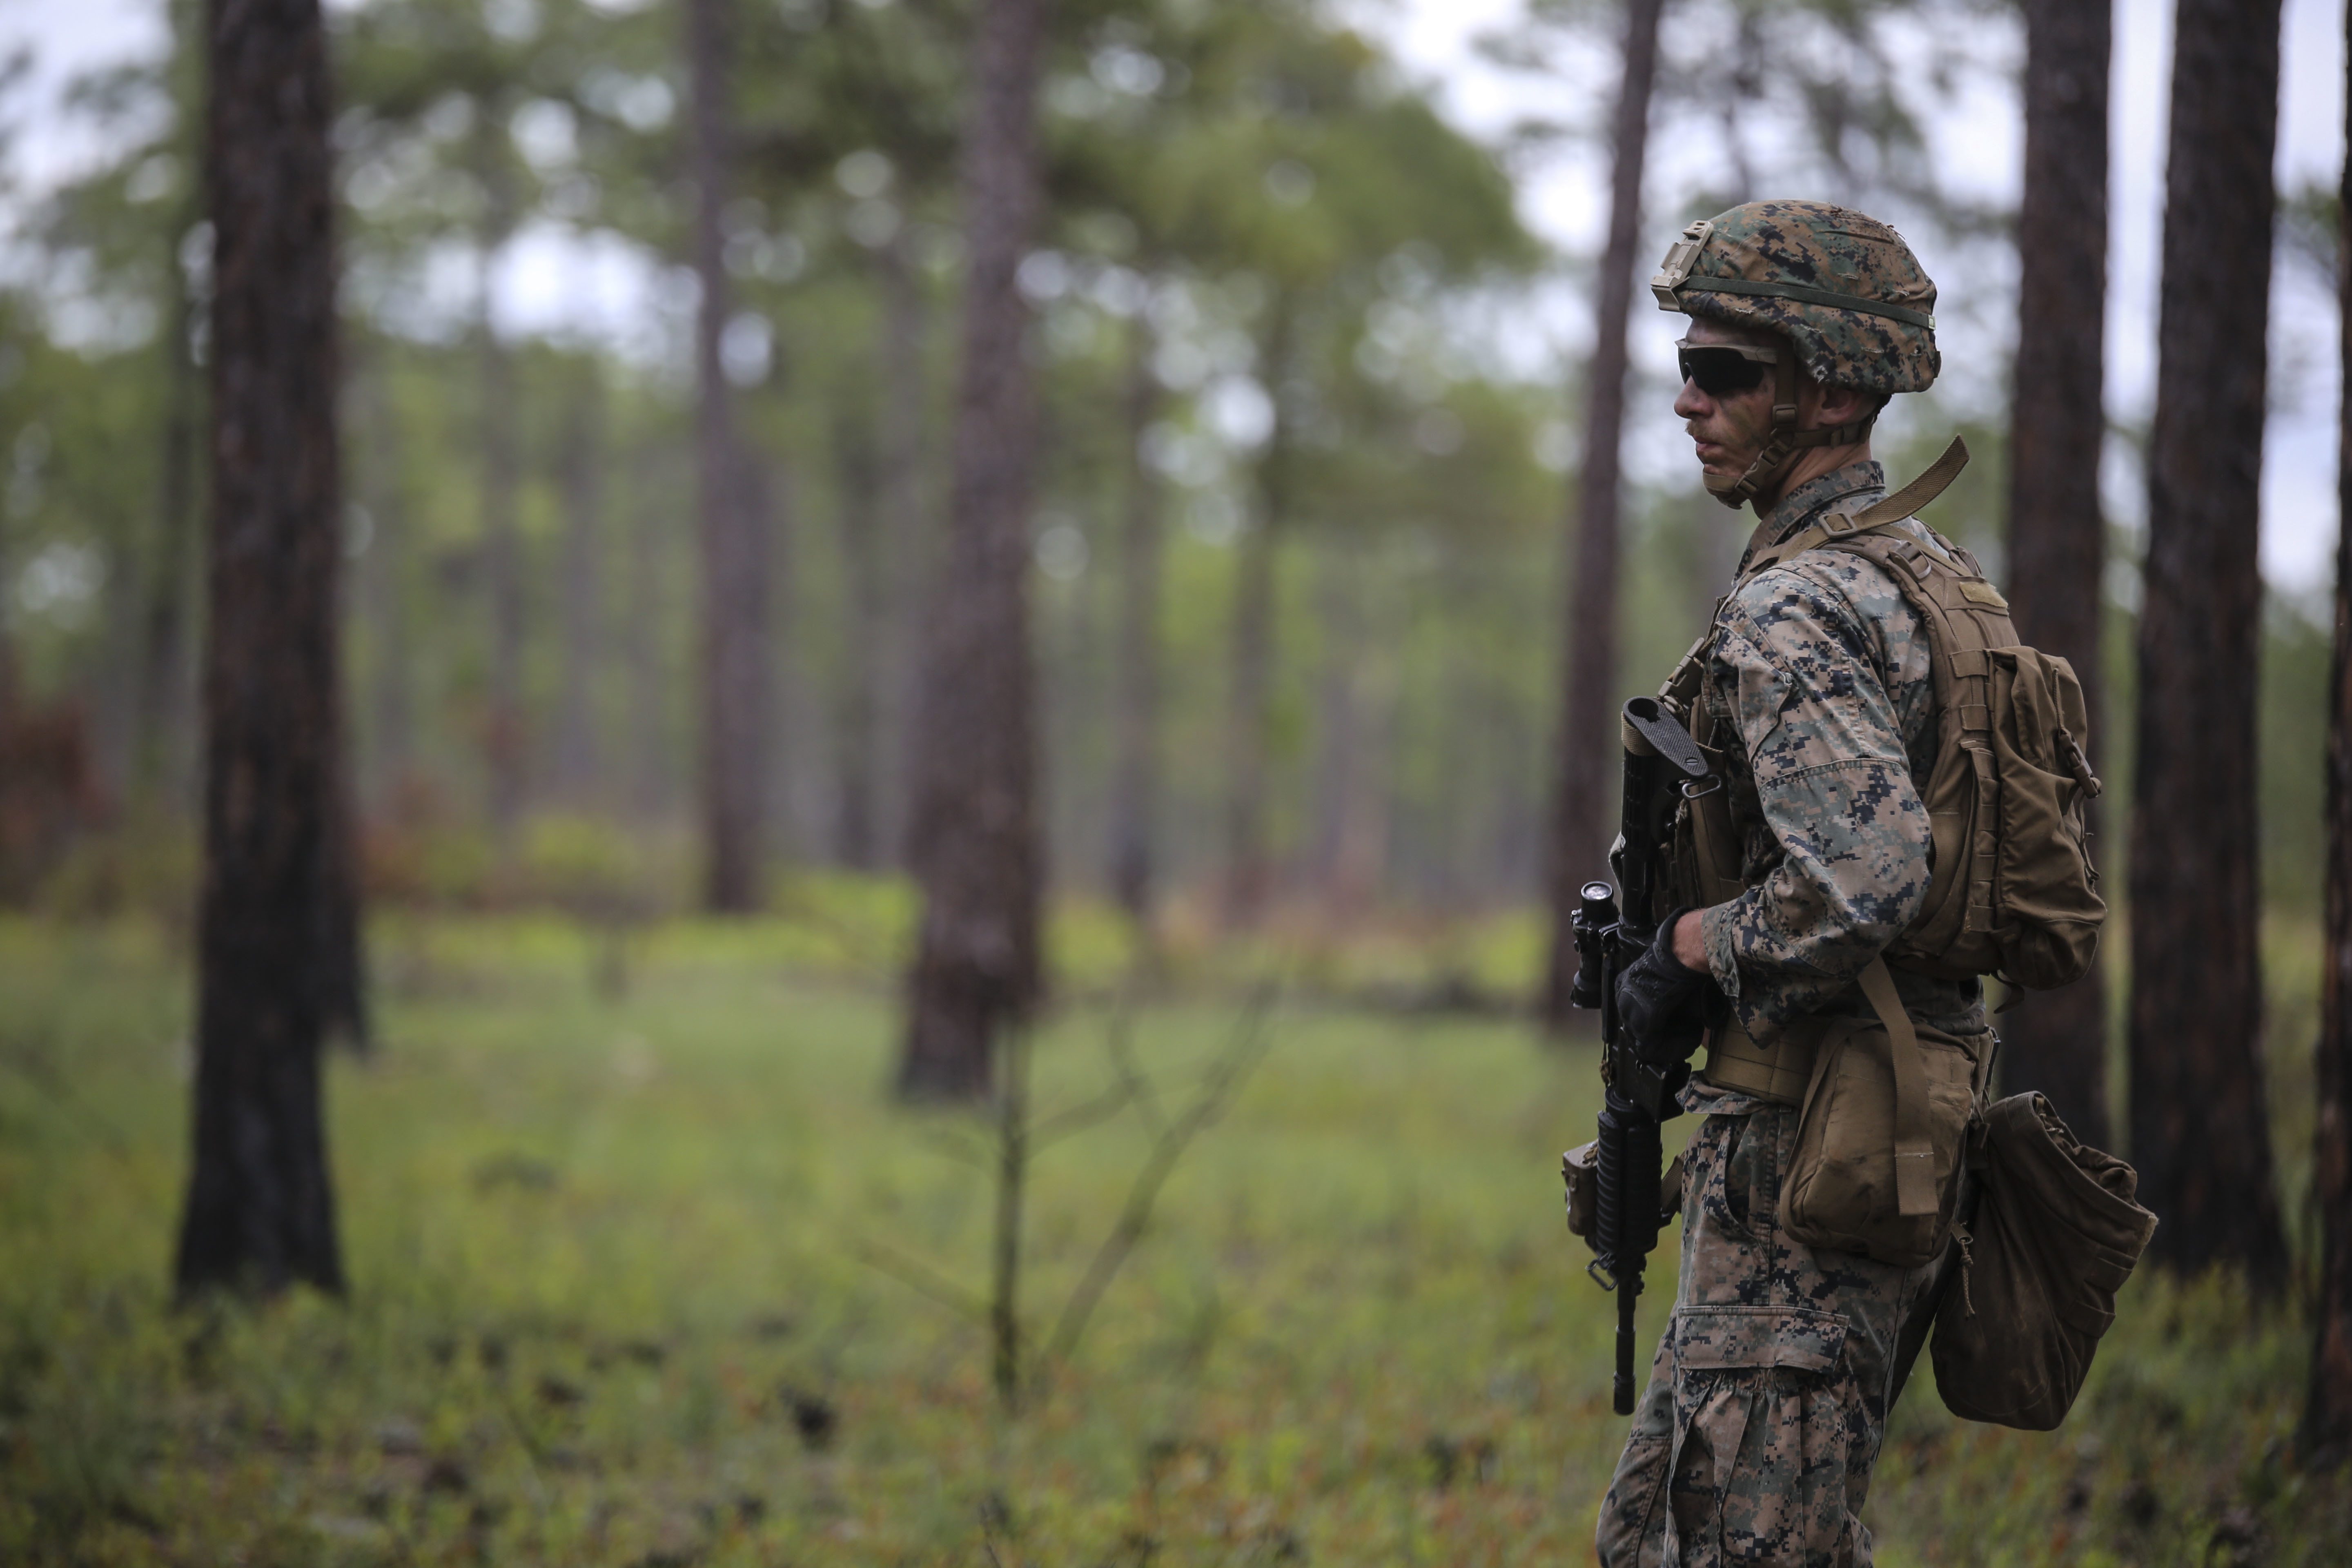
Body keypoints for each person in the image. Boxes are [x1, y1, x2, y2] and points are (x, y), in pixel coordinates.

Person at [1592, 199, 1987, 1566]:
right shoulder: (1920, 574)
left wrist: (1693, 946)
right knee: (1667, 1531)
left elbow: (1870, 874)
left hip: (1820, 1150)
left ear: (1830, 387)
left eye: (1730, 373)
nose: (1691, 403)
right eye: (1686, 369)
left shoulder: (1800, 605)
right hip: (1857, 1131)